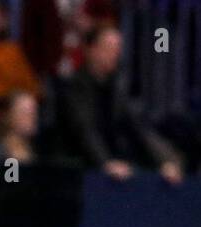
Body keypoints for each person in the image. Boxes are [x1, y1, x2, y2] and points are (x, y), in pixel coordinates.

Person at [52, 24, 182, 182]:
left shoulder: (117, 88)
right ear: (90, 49)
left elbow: (138, 129)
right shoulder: (73, 88)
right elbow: (85, 131)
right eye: (108, 47)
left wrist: (167, 160)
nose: (114, 54)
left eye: (117, 48)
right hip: (75, 172)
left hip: (110, 169)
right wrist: (105, 162)